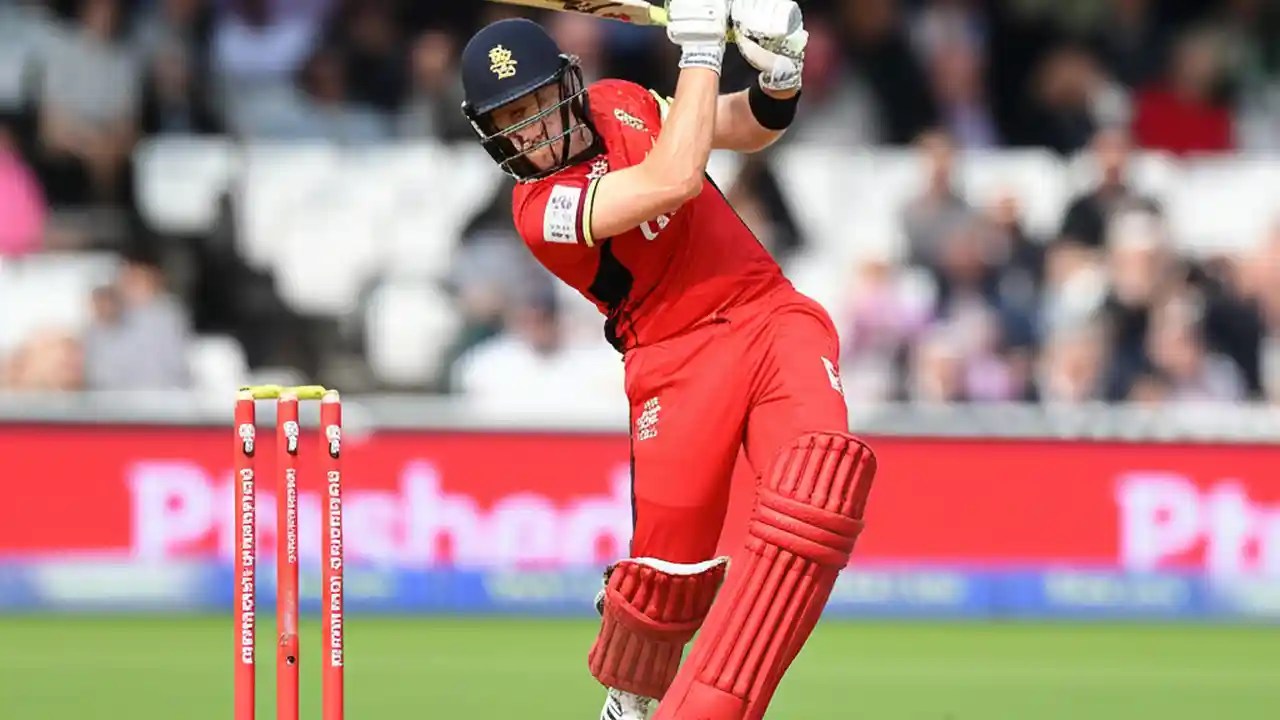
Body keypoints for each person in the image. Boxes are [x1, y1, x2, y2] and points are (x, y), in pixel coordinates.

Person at [458, 2, 878, 719]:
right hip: (674, 363)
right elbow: (673, 179)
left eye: (533, 105)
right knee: (665, 581)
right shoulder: (539, 211)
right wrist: (702, 46)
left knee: (818, 490)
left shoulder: (620, 99)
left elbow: (740, 128)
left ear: (566, 86)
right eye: (508, 122)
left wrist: (779, 78)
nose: (528, 131)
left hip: (768, 314)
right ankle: (631, 703)